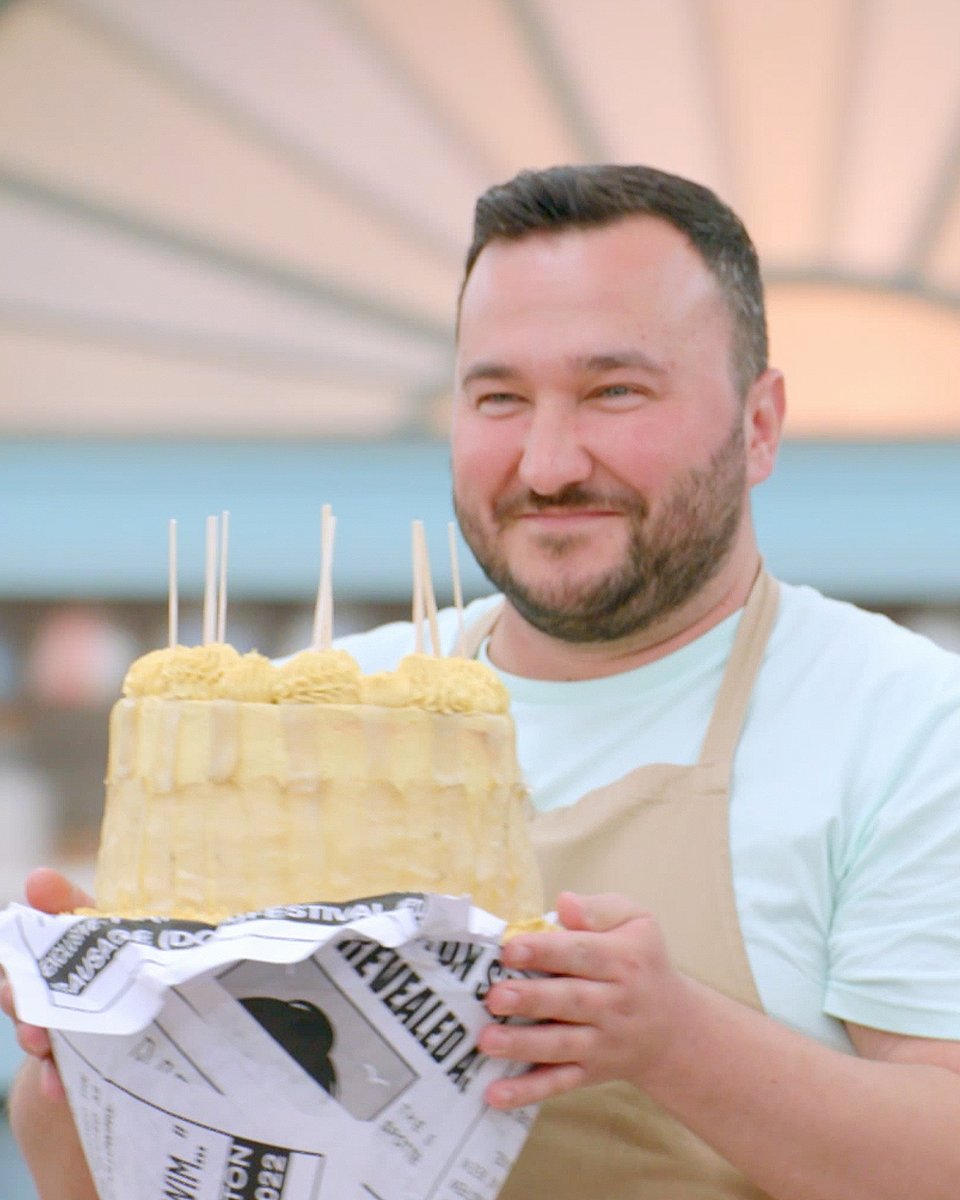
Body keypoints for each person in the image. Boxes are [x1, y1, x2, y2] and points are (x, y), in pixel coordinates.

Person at [4, 163, 960, 1199]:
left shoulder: (905, 725)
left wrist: (675, 1039)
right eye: (500, 398)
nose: (547, 464)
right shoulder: (315, 721)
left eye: (614, 392)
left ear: (760, 424)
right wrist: (84, 1055)